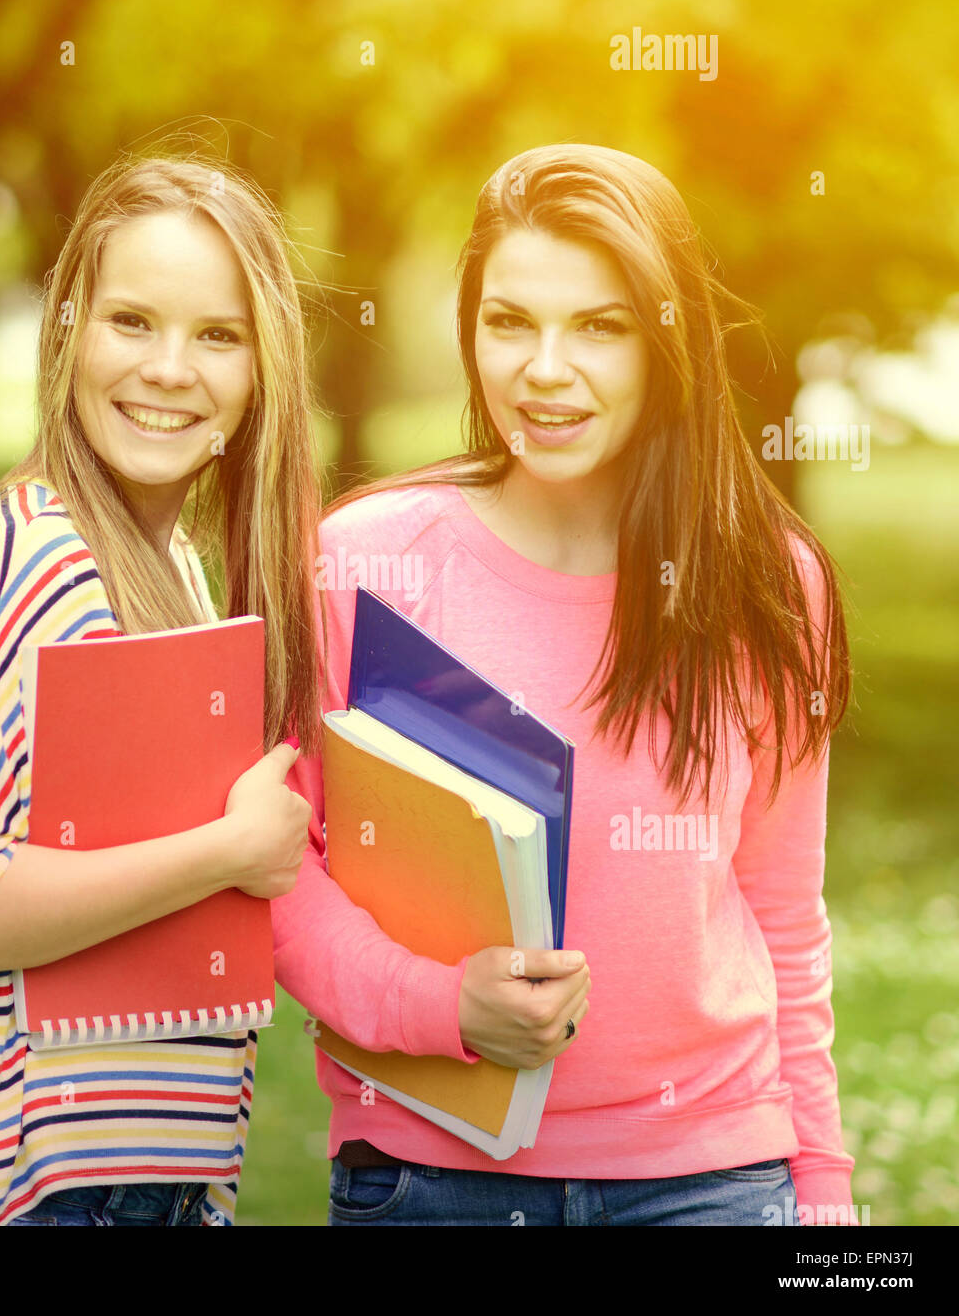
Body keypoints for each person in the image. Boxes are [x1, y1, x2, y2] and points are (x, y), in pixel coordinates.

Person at [275, 143, 856, 1226]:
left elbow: (782, 908)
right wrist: (439, 1004)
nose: (544, 368)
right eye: (509, 322)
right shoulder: (360, 564)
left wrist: (822, 1186)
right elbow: (277, 866)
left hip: (716, 1182)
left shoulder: (771, 586)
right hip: (429, 1181)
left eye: (599, 325)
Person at [0, 154, 319, 1227]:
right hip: (8, 1195)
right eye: (132, 321)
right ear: (69, 332)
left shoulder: (183, 576)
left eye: (217, 335)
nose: (169, 369)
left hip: (141, 1191)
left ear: (258, 377)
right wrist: (229, 853)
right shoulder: (24, 551)